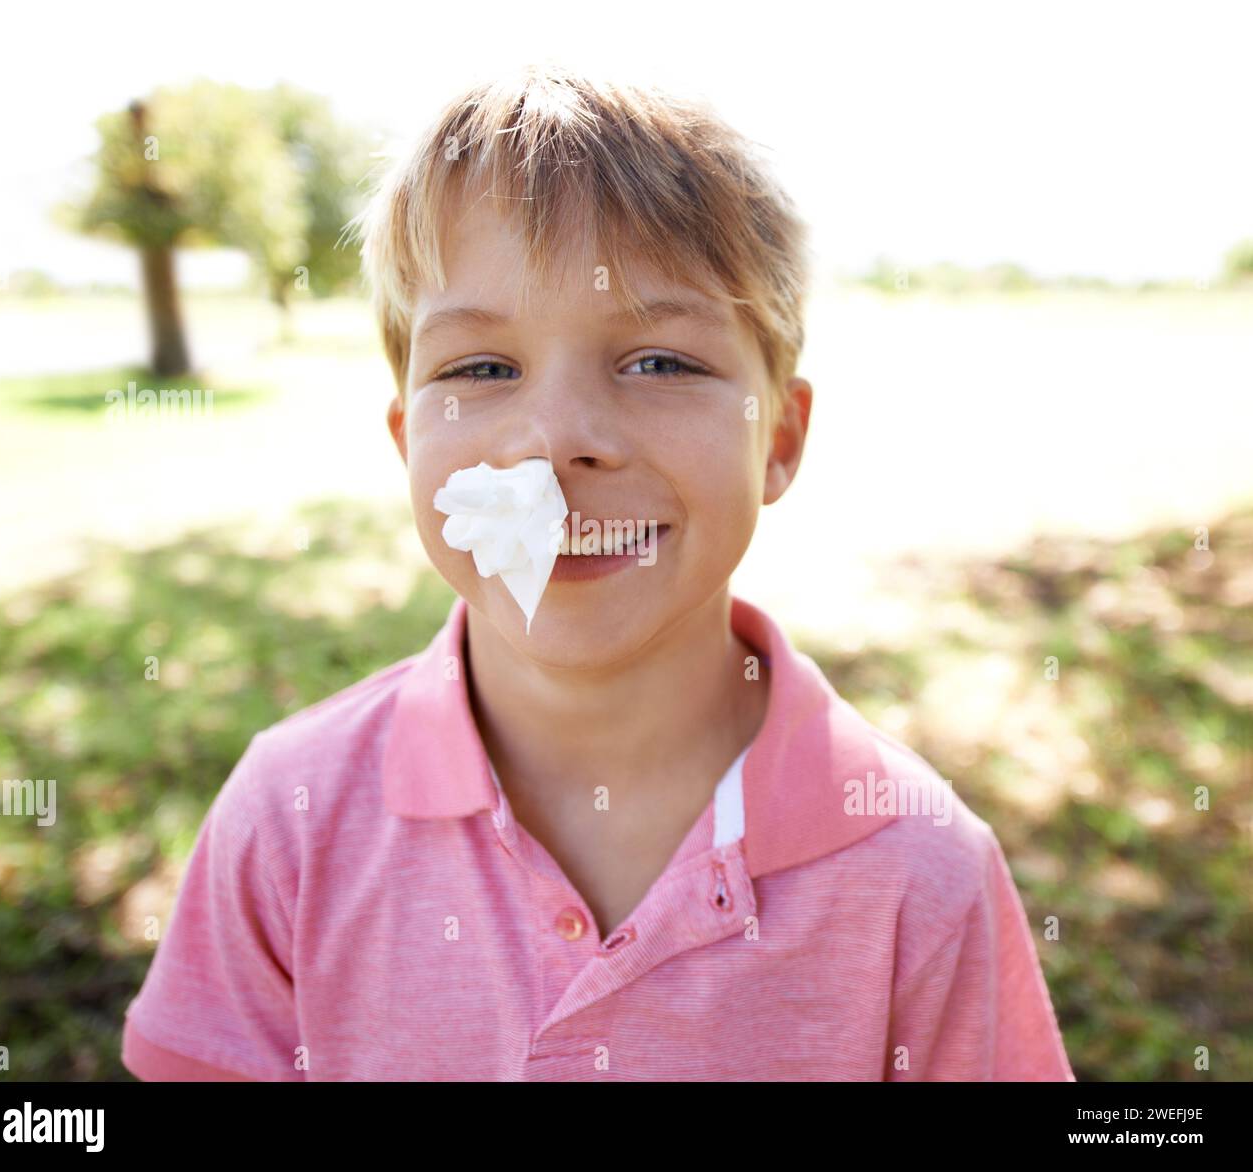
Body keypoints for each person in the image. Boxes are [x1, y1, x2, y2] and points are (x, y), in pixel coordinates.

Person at [120, 61, 1074, 1081]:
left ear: (779, 439)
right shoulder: (288, 820)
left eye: (659, 361)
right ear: (407, 442)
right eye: (480, 368)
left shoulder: (919, 872)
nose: (555, 439)